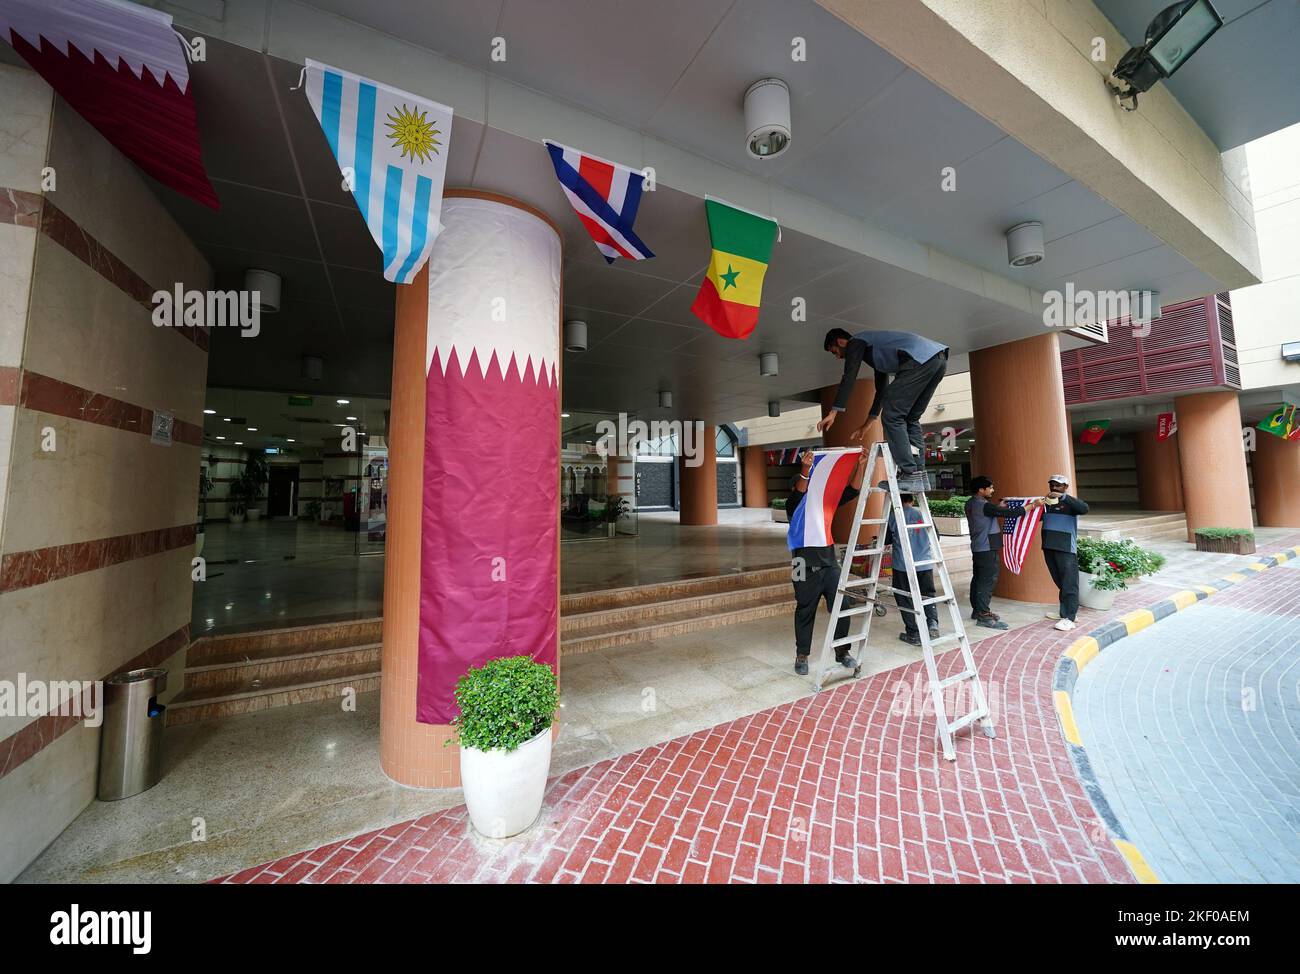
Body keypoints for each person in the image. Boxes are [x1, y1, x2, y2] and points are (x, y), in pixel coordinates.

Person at [816, 328, 949, 492]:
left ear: (841, 342)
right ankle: (919, 476)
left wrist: (833, 412)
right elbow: (881, 391)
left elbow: (849, 376)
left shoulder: (856, 342)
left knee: (893, 416)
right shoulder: (877, 351)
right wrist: (867, 424)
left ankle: (909, 473)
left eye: (834, 352)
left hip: (919, 361)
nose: (837, 357)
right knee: (910, 418)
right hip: (938, 360)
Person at [787, 446, 870, 676]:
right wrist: (806, 468)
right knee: (805, 609)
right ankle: (802, 654)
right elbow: (800, 491)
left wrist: (860, 465)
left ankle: (842, 651)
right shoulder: (794, 506)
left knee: (842, 606)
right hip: (801, 565)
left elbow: (853, 490)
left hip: (829, 562)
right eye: (806, 485)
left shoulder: (826, 503)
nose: (811, 488)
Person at [965, 476, 1042, 631]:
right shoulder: (984, 505)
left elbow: (990, 513)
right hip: (987, 548)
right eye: (990, 488)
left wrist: (998, 506)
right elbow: (1011, 513)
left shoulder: (971, 503)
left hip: (979, 547)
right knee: (987, 581)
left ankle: (977, 610)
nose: (993, 490)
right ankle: (984, 615)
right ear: (981, 489)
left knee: (979, 579)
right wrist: (1033, 505)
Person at [884, 493, 939, 645]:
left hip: (903, 565)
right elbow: (936, 537)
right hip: (925, 563)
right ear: (912, 499)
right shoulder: (923, 514)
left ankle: (914, 632)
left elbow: (886, 539)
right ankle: (932, 623)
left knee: (903, 597)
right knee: (927, 594)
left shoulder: (893, 516)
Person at [1039, 473, 1089, 631]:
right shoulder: (1047, 503)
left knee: (1069, 582)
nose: (1054, 487)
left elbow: (1084, 508)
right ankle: (1065, 612)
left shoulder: (1070, 503)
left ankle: (1069, 617)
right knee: (1059, 580)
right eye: (1052, 484)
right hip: (1048, 545)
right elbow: (1034, 518)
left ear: (1065, 487)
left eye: (1058, 485)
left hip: (1066, 547)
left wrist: (1064, 497)